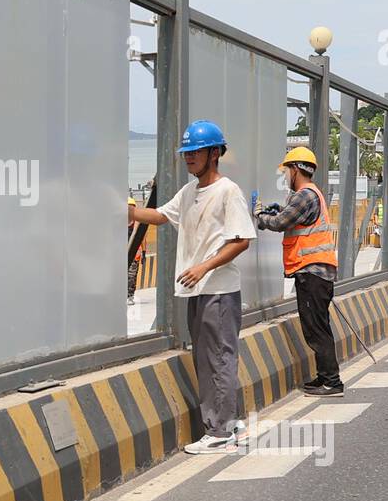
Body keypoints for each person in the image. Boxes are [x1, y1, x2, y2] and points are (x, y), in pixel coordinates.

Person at [128, 121, 255, 452]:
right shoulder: (189, 193)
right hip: (198, 290)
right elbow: (159, 216)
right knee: (207, 358)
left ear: (215, 153)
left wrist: (203, 267)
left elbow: (241, 240)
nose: (189, 159)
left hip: (219, 290)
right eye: (186, 153)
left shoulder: (228, 191)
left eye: (195, 152)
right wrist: (128, 212)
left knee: (218, 359)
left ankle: (220, 432)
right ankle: (231, 423)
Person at [256, 148, 343, 396]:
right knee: (318, 326)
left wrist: (260, 215)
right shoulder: (311, 194)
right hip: (317, 272)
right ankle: (324, 376)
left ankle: (332, 382)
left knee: (315, 329)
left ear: (295, 169)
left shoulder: (304, 195)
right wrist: (279, 209)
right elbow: (291, 217)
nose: (285, 175)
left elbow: (280, 223)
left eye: (286, 170)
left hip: (312, 272)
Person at [127, 197, 143, 304]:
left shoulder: (137, 222)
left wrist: (143, 251)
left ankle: (130, 295)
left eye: (132, 207)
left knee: (132, 274)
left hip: (134, 251)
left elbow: (142, 237)